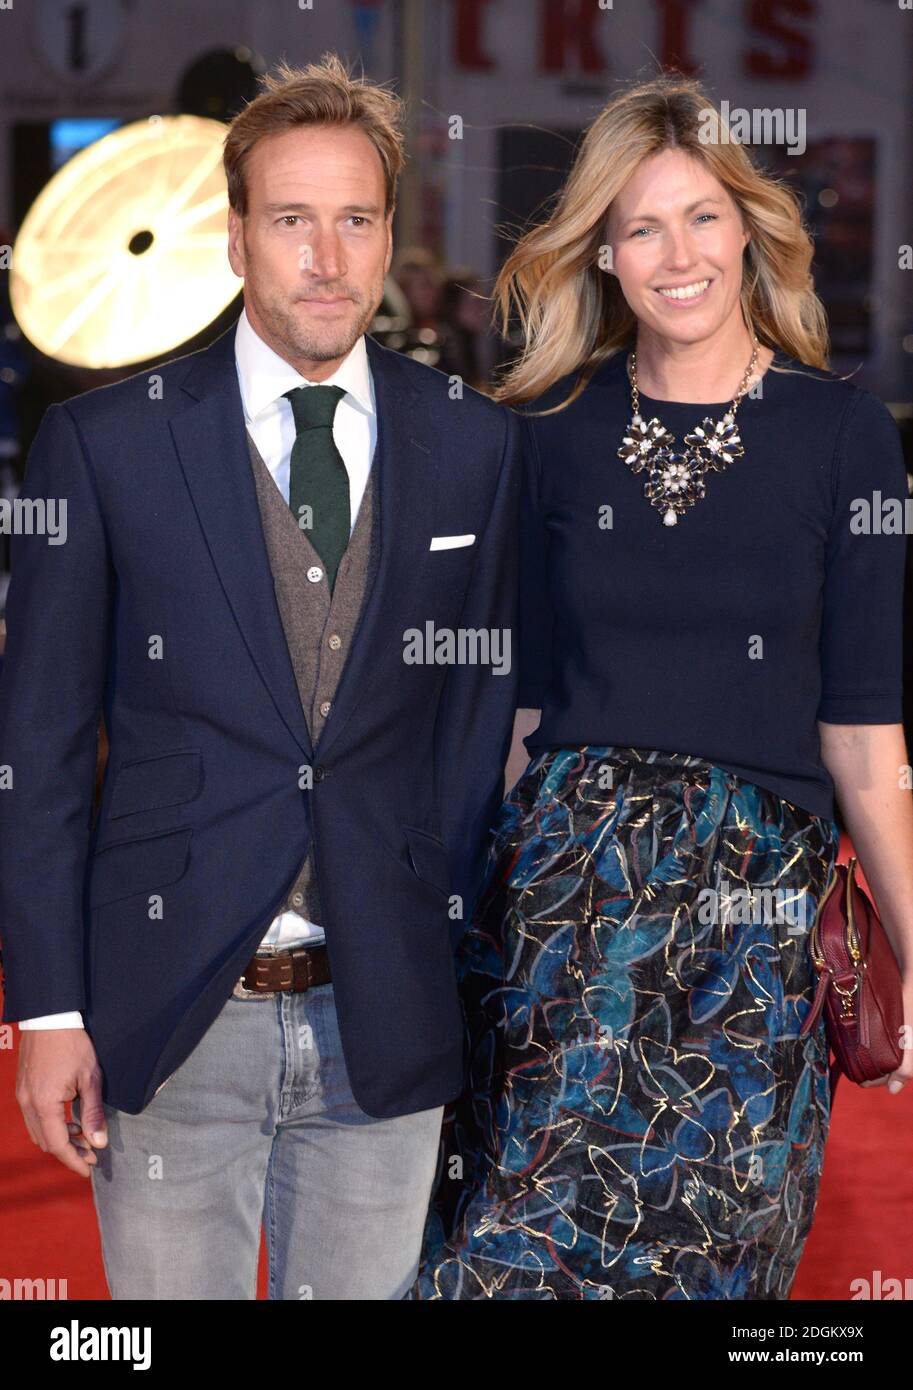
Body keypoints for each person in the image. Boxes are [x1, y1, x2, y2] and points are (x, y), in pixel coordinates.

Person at [0, 54, 521, 1301]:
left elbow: (472, 723)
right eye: (292, 220)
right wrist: (53, 1010)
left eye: (356, 221)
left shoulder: (470, 439)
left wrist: (432, 939)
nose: (327, 258)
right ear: (233, 240)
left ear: (391, 236)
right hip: (174, 1018)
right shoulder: (105, 445)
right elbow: (43, 747)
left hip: (381, 1022)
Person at [410, 73, 913, 1301]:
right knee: (510, 1252)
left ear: (748, 226)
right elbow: (516, 716)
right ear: (604, 255)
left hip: (755, 936)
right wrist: (440, 918)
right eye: (639, 226)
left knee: (714, 1261)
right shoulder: (547, 431)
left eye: (699, 217)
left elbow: (861, 731)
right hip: (562, 922)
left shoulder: (841, 436)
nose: (674, 253)